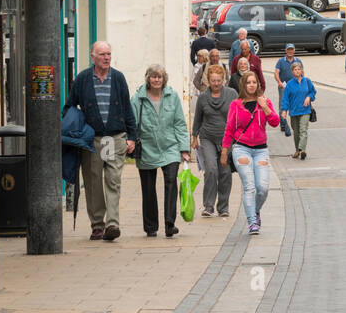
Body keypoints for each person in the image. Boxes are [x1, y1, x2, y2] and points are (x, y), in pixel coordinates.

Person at [66, 42, 137, 242]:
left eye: (109, 54)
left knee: (113, 180)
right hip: (93, 140)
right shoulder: (82, 79)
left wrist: (132, 136)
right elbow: (69, 107)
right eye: (102, 54)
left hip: (115, 138)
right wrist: (76, 130)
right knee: (93, 182)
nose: (106, 58)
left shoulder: (119, 78)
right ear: (93, 57)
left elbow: (127, 108)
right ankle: (97, 225)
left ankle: (112, 224)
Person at [130, 66, 190, 238]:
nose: (156, 80)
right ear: (148, 79)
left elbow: (179, 123)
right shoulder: (137, 99)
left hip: (170, 146)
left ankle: (170, 224)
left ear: (164, 79)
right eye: (153, 77)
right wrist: (130, 141)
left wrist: (184, 148)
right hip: (147, 147)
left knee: (171, 181)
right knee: (148, 189)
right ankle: (150, 226)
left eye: (160, 77)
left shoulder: (172, 96)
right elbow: (131, 123)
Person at [221, 72, 280, 235]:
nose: (252, 85)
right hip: (241, 148)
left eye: (254, 82)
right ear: (243, 85)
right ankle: (252, 222)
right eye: (249, 82)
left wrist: (265, 107)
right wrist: (225, 151)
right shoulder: (236, 104)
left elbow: (275, 123)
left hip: (261, 150)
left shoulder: (264, 101)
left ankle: (255, 210)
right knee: (249, 186)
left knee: (263, 188)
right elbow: (229, 128)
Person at [192, 61, 237, 218]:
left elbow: (238, 116)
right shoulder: (203, 97)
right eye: (213, 81)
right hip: (208, 137)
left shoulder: (232, 94)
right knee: (211, 169)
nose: (216, 83)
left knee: (225, 172)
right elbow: (198, 118)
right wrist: (194, 136)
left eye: (219, 80)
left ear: (224, 80)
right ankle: (209, 206)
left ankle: (223, 207)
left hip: (227, 138)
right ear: (208, 81)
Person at [280, 60, 317, 159]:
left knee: (303, 130)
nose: (297, 71)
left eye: (299, 69)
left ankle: (302, 150)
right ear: (292, 72)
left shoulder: (307, 81)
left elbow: (313, 92)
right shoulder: (289, 84)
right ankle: (297, 150)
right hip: (294, 111)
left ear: (301, 71)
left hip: (305, 110)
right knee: (296, 132)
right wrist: (284, 110)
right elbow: (285, 99)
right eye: (295, 70)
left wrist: (309, 97)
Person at [274, 44, 303, 136]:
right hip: (284, 86)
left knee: (295, 104)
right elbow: (276, 73)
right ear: (285, 51)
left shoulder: (298, 61)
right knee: (283, 105)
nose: (290, 51)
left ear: (294, 50)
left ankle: (296, 124)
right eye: (288, 50)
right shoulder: (281, 61)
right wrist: (279, 82)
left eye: (292, 49)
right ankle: (283, 124)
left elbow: (302, 73)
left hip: (295, 87)